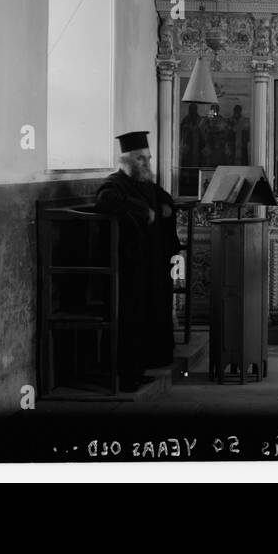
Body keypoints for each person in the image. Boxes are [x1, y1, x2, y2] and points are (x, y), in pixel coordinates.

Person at [94, 131, 179, 392]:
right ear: (127, 161)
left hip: (151, 263)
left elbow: (163, 196)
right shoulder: (115, 183)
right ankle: (127, 375)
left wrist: (165, 205)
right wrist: (143, 210)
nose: (146, 164)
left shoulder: (146, 183)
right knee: (131, 318)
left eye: (148, 159)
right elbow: (106, 200)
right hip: (129, 266)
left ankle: (144, 366)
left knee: (151, 313)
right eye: (141, 159)